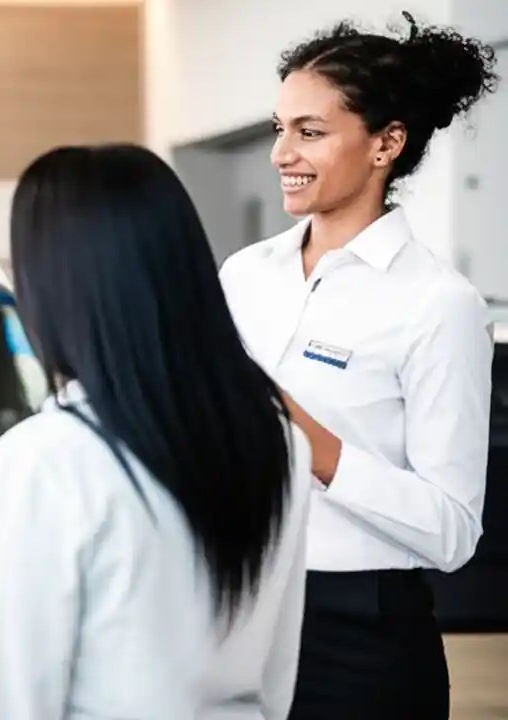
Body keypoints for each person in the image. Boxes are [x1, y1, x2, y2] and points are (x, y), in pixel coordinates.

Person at [0, 145, 313, 719]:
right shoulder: (278, 438)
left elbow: (4, 705)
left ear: (56, 286)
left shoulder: (41, 462)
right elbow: (277, 678)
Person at [218, 13, 499, 719]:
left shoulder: (438, 302)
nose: (282, 152)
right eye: (279, 128)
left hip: (358, 634)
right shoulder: (245, 275)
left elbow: (453, 530)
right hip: (233, 613)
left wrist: (316, 447)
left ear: (387, 143)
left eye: (309, 132)